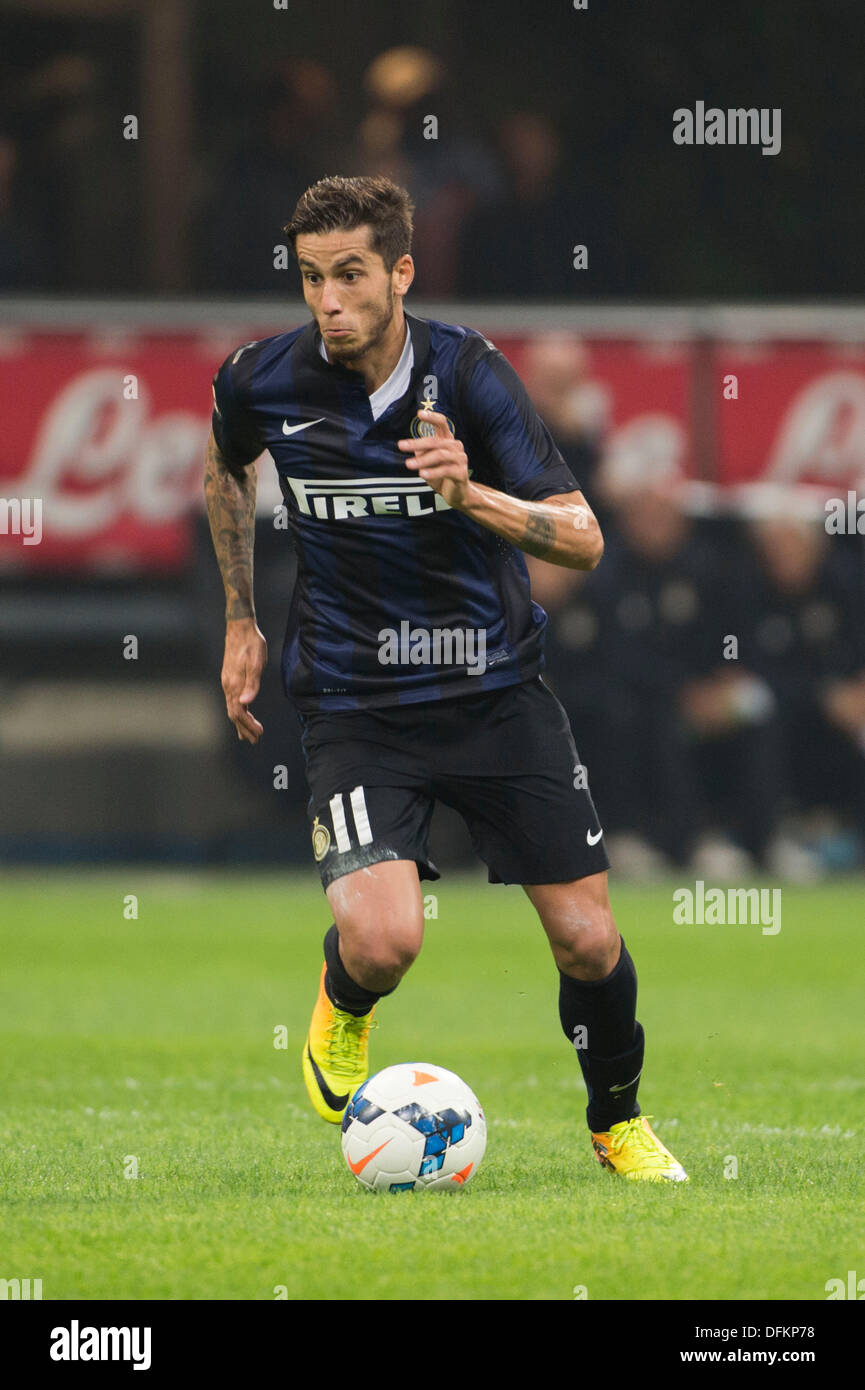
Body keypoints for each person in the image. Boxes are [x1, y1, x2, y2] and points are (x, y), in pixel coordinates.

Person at [204, 174, 687, 1182]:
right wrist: (241, 616)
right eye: (310, 278)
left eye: (349, 275)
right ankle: (344, 1000)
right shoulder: (260, 377)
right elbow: (226, 465)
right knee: (384, 941)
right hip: (354, 705)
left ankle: (617, 1123)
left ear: (401, 273)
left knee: (588, 941)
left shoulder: (470, 374)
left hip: (495, 693)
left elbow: (584, 538)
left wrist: (474, 497)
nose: (328, 301)